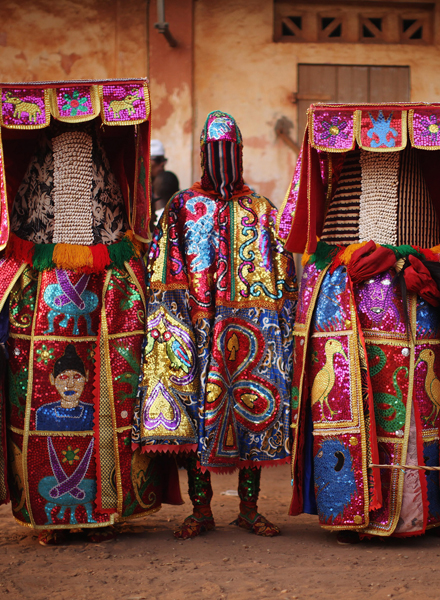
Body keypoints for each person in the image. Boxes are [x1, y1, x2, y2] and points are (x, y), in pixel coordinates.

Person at [0, 80, 179, 546]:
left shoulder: (37, 264)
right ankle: (74, 512)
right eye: (64, 167)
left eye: (82, 166)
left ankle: (89, 511)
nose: (73, 177)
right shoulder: (92, 263)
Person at [279, 102, 440, 543]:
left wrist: (415, 261)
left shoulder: (419, 184)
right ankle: (351, 510)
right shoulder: (341, 191)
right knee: (349, 401)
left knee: (425, 403)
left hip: (417, 290)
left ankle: (429, 509)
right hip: (347, 296)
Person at [134, 111, 298, 540]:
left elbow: (285, 275)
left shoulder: (262, 210)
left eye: (229, 151)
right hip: (196, 330)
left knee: (252, 419)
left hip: (252, 333)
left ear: (239, 154)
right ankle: (201, 510)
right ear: (205, 154)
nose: (222, 159)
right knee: (195, 420)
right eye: (214, 150)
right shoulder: (182, 208)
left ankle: (249, 508)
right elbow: (164, 272)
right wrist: (172, 327)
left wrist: (283, 324)